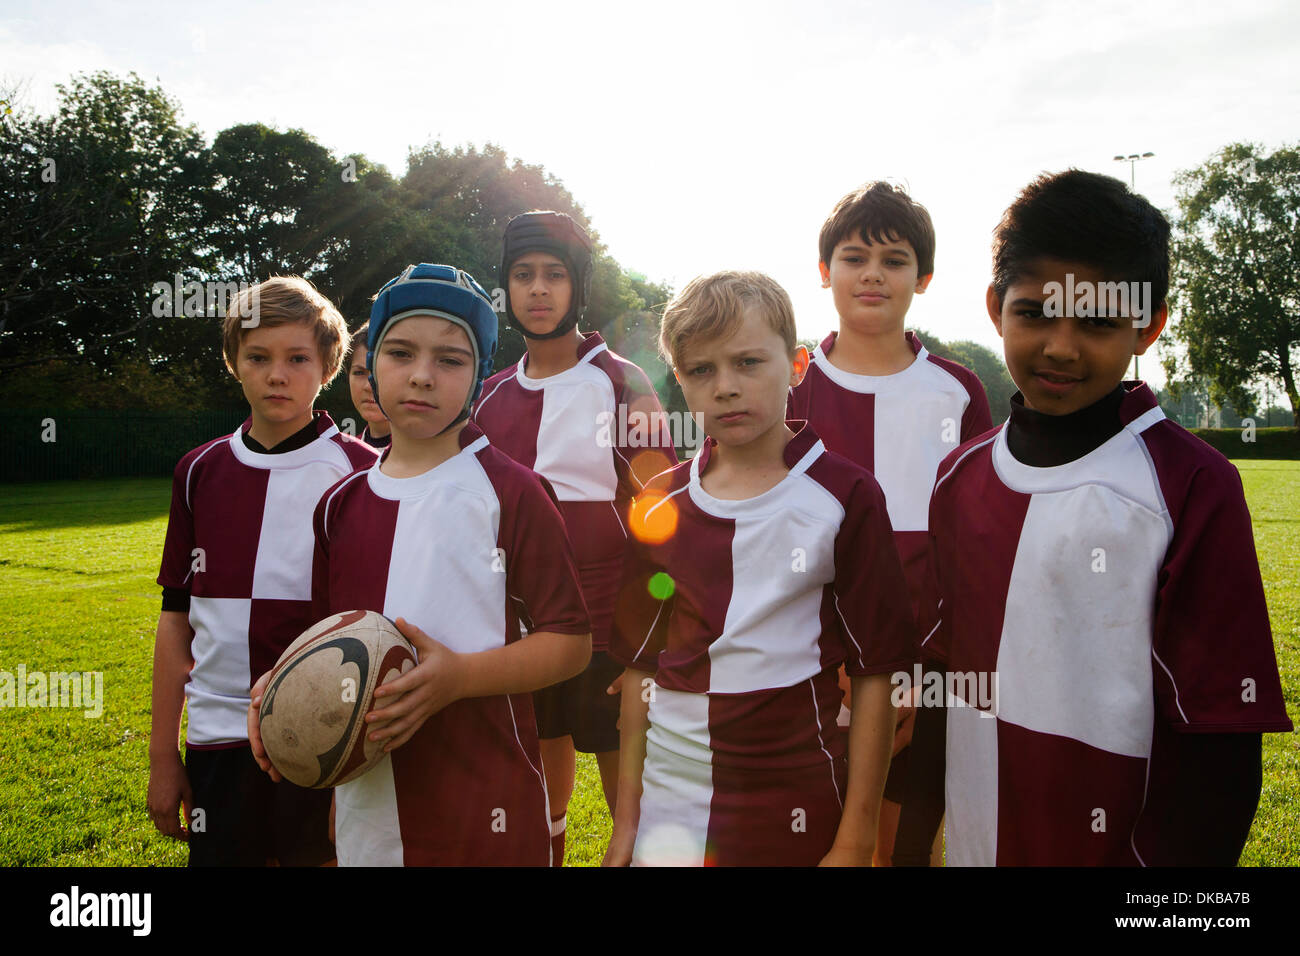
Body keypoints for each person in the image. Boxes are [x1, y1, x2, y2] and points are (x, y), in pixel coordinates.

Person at [892, 170, 1293, 866]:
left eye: (1100, 322)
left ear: (1150, 324)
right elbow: (939, 683)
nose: (1061, 347)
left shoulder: (1193, 487)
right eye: (1036, 313)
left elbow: (1222, 747)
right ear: (995, 306)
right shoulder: (960, 479)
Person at [248, 263, 592, 865]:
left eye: (451, 360)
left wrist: (457, 677)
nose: (422, 377)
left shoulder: (512, 492)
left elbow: (570, 644)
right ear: (370, 362)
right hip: (369, 814)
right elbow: (329, 641)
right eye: (401, 352)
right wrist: (282, 690)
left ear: (481, 374)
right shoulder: (340, 505)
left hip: (487, 811)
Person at [603, 270, 918, 866]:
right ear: (681, 384)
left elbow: (876, 674)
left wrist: (856, 841)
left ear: (796, 365)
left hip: (795, 801)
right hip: (673, 808)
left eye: (748, 363)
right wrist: (626, 826)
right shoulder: (660, 508)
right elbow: (640, 674)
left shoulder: (846, 496)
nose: (725, 387)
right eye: (702, 370)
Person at [788, 180, 990, 865]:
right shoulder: (788, 388)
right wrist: (846, 663)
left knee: (900, 851)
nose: (873, 273)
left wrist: (910, 669)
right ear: (824, 272)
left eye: (895, 259)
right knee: (815, 840)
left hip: (926, 670)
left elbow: (971, 546)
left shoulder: (958, 391)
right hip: (809, 665)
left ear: (923, 278)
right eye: (853, 257)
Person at [149, 276, 379, 866]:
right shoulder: (198, 471)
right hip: (217, 734)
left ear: (328, 366)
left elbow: (374, 623)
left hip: (322, 728)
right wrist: (162, 756)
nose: (278, 374)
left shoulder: (362, 473)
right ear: (234, 363)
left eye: (298, 358)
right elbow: (176, 618)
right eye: (259, 357)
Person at [471, 210, 676, 864]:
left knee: (630, 810)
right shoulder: (490, 397)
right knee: (541, 779)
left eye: (554, 275)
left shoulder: (621, 382)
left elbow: (665, 513)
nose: (537, 289)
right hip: (525, 630)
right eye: (523, 275)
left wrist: (650, 639)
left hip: (608, 629)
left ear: (577, 287)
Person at [345, 319, 391, 449]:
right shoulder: (343, 456)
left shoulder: (438, 457)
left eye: (380, 374)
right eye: (359, 373)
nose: (368, 386)